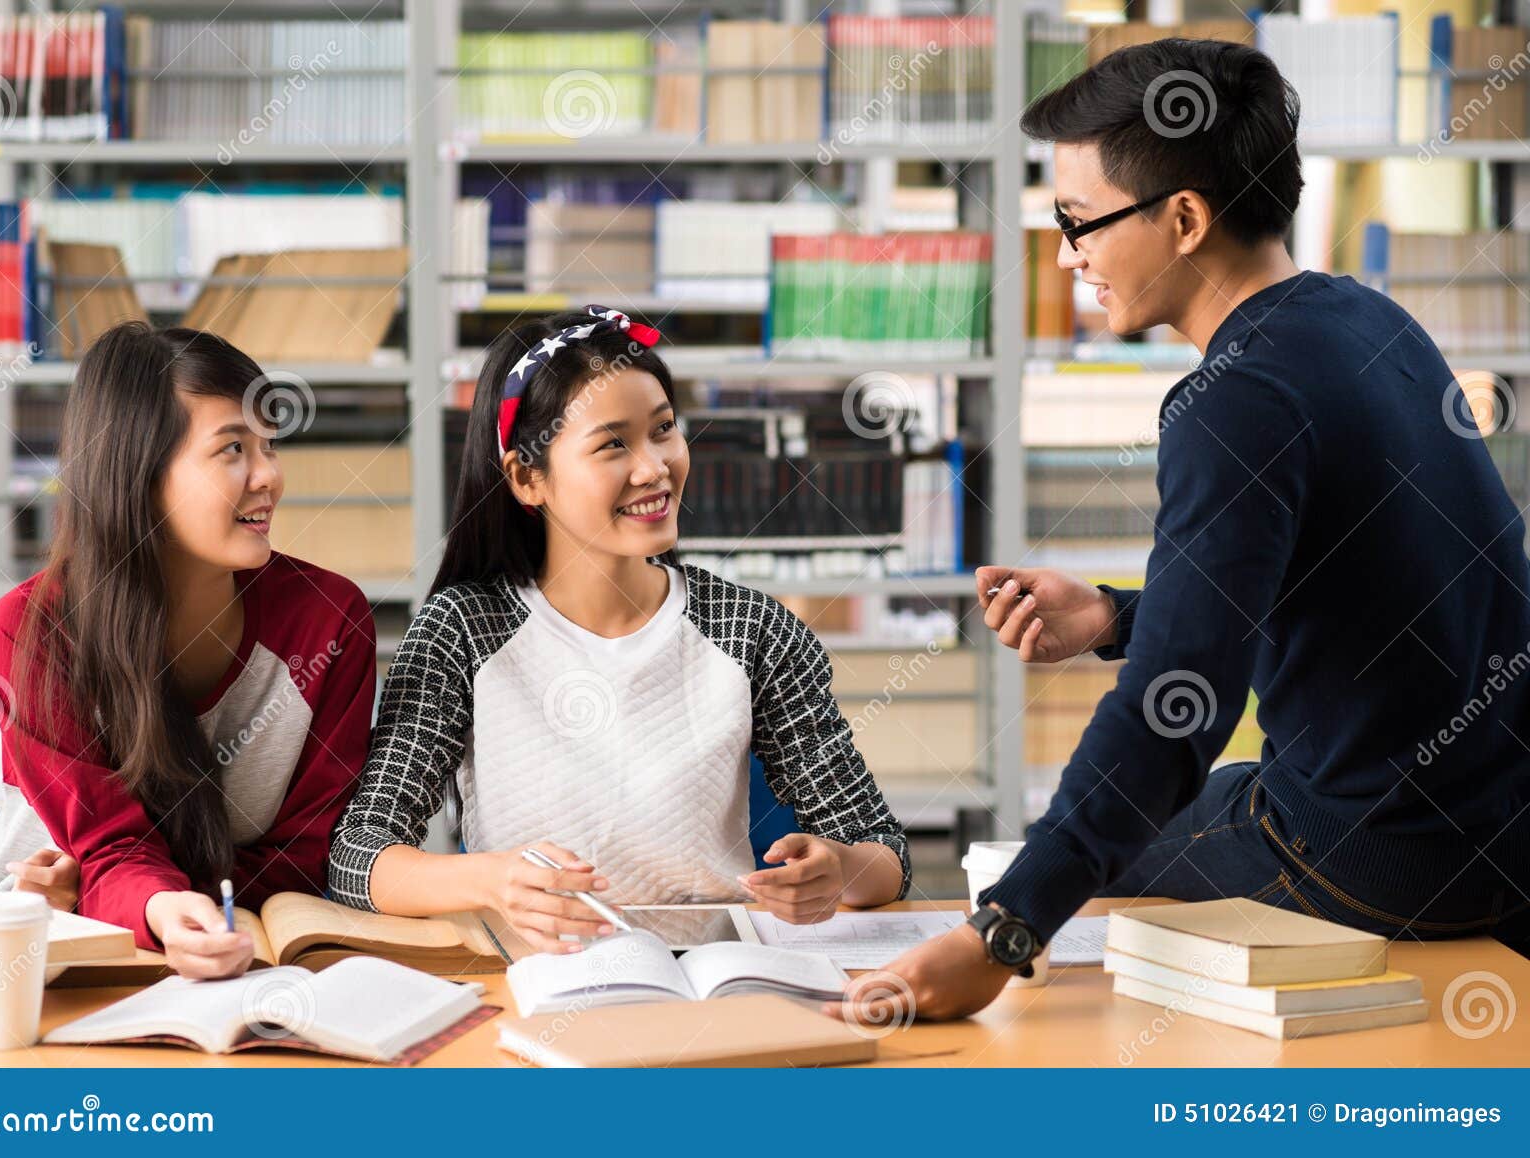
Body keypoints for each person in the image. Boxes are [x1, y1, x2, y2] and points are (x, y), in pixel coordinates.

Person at [830, 37, 1530, 1024]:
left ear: (1186, 220)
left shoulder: (1231, 400)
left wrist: (998, 937)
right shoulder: (1368, 324)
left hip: (1377, 867)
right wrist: (1116, 617)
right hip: (1501, 836)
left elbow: (1178, 709)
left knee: (1033, 870)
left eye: (1077, 222)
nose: (1068, 256)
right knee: (1131, 826)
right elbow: (1367, 584)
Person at [328, 307, 910, 954]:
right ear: (527, 478)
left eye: (664, 430)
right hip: (535, 993)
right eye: (613, 444)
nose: (655, 467)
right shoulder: (462, 631)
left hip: (715, 991)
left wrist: (837, 870)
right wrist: (492, 880)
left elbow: (883, 853)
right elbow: (359, 858)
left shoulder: (755, 630)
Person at [0, 322, 376, 979]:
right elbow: (108, 845)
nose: (269, 477)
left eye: (269, 446)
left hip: (239, 964)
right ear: (139, 473)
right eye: (232, 450)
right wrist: (144, 900)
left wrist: (121, 891)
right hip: (44, 964)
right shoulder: (32, 630)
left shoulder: (330, 623)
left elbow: (304, 857)